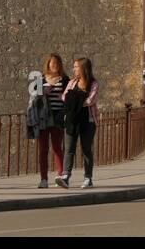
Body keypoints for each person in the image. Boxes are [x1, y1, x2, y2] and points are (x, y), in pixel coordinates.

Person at [57, 57, 99, 189]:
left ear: (83, 69)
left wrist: (73, 99)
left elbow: (90, 100)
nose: (74, 69)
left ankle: (88, 178)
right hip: (72, 119)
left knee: (86, 149)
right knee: (69, 149)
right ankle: (65, 176)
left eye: (76, 67)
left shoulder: (93, 83)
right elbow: (64, 96)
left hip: (88, 120)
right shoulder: (72, 82)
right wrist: (77, 99)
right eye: (74, 67)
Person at [34, 55, 69, 188]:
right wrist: (44, 92)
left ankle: (60, 176)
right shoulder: (40, 78)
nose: (54, 65)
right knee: (43, 149)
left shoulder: (65, 79)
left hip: (57, 117)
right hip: (43, 118)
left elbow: (69, 98)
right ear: (47, 64)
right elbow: (35, 98)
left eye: (57, 63)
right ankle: (43, 179)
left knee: (57, 147)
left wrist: (63, 98)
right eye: (52, 63)